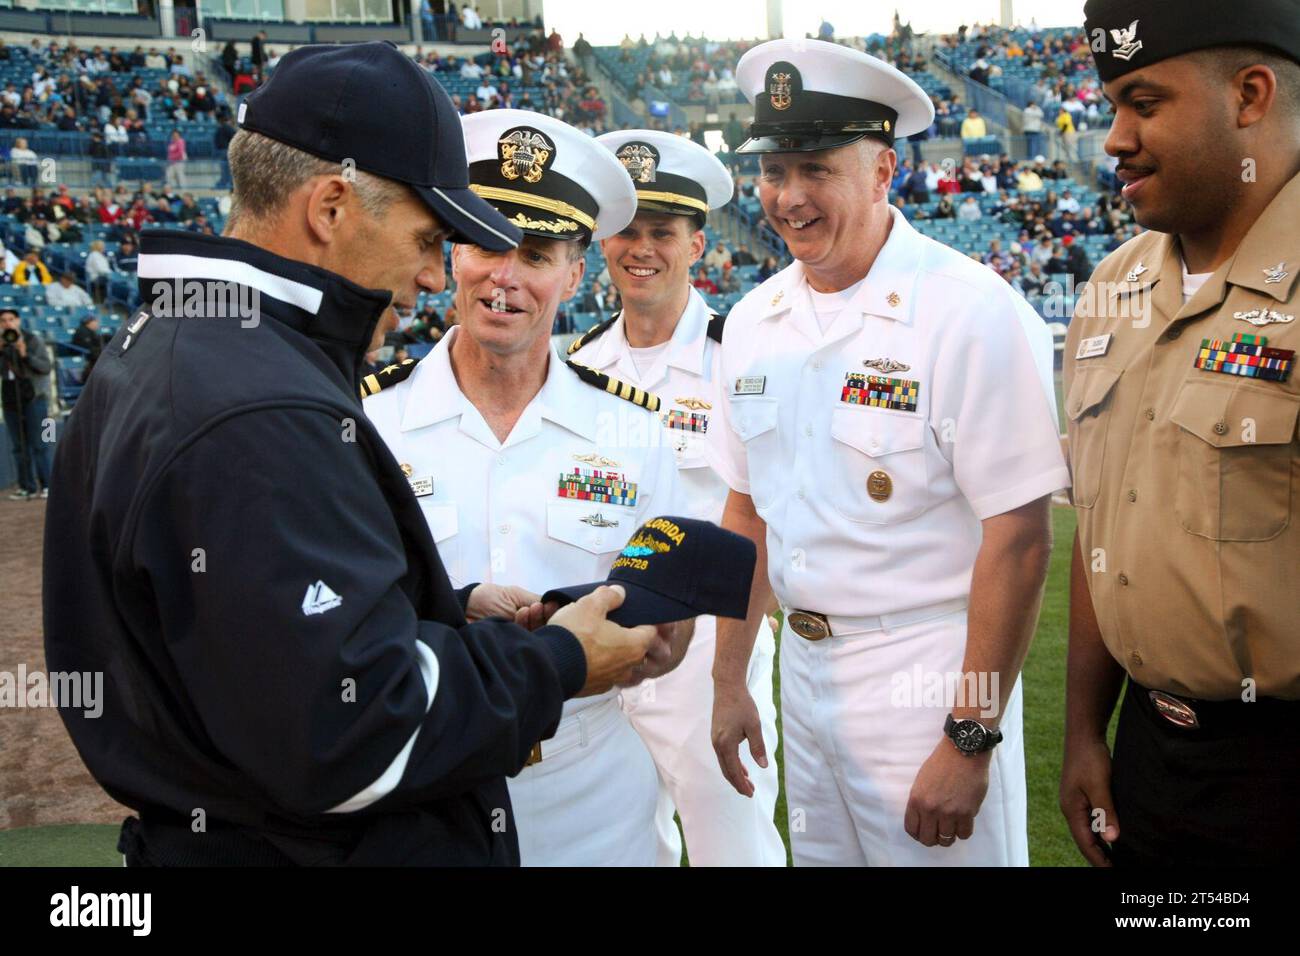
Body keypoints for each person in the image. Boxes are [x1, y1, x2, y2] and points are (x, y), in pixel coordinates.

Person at [43, 42, 668, 868]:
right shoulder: (265, 406)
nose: (424, 275)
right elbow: (354, 732)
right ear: (331, 207)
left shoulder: (175, 343)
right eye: (423, 238)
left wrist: (431, 611)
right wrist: (558, 657)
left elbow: (267, 653)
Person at [710, 38, 1068, 866]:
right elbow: (746, 514)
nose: (788, 198)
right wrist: (731, 680)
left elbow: (1018, 540)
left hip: (926, 679)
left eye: (816, 170)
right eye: (772, 171)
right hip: (802, 678)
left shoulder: (970, 312)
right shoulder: (753, 322)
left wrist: (971, 735)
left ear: (883, 171)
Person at [362, 109, 693, 866]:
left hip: (593, 795)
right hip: (424, 785)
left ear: (576, 273)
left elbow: (672, 636)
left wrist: (660, 645)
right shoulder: (368, 422)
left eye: (537, 252)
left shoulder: (635, 432)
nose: (503, 275)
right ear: (452, 255)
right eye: (484, 243)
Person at [1062, 0, 1300, 868]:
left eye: (1145, 103)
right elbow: (1102, 523)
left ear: (1249, 95)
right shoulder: (1114, 286)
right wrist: (1085, 731)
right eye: (1112, 108)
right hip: (1149, 766)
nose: (1114, 139)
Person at [565, 128, 785, 866]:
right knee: (618, 851)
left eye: (663, 230)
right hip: (602, 652)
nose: (641, 248)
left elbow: (773, 514)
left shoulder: (741, 361)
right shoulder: (579, 367)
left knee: (736, 850)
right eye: (626, 230)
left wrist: (732, 675)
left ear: (699, 245)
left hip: (708, 659)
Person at [1, 307, 52, 499]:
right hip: (10, 400)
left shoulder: (32, 340)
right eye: (3, 320)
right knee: (18, 447)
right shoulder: (2, 344)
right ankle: (26, 486)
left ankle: (47, 484)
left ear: (18, 321)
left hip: (36, 399)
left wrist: (24, 354)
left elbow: (45, 367)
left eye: (11, 319)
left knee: (43, 443)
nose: (7, 324)